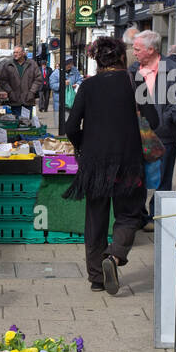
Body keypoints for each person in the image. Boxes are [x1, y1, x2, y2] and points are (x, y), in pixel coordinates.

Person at [62, 36, 161, 294]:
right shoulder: (135, 81)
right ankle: (114, 256)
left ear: (97, 60)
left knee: (96, 218)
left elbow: (70, 126)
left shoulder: (88, 86)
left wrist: (83, 143)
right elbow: (155, 121)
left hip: (95, 163)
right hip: (129, 161)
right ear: (121, 57)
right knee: (129, 214)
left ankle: (96, 277)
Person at [129, 30, 176, 225]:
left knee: (162, 180)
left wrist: (165, 121)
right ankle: (140, 216)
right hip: (136, 134)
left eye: (137, 49)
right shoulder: (132, 70)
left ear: (151, 49)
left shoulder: (174, 70)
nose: (134, 52)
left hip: (164, 135)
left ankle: (157, 218)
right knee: (138, 179)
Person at [0, 45, 43, 114]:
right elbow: (2, 81)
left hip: (28, 100)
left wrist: (32, 92)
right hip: (14, 100)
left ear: (23, 53)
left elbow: (38, 79)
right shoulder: (8, 65)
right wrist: (10, 92)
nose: (15, 54)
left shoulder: (32, 64)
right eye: (14, 52)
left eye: (17, 52)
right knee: (15, 121)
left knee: (26, 122)